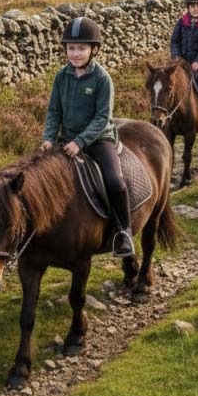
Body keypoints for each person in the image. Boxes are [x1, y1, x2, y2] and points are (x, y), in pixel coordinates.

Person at [42, 17, 135, 257]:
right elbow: (54, 111)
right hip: (66, 140)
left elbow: (103, 117)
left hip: (98, 140)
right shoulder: (61, 77)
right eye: (71, 48)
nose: (75, 53)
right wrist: (49, 138)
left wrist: (80, 142)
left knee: (116, 182)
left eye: (81, 48)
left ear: (94, 50)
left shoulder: (102, 79)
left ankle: (124, 232)